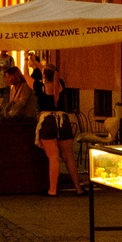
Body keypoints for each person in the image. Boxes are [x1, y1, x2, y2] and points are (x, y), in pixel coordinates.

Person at [36, 67, 84, 196]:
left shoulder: (40, 86)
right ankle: (78, 188)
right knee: (69, 158)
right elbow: (51, 73)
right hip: (64, 120)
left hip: (48, 121)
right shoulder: (60, 84)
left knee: (53, 158)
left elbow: (25, 75)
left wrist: (26, 61)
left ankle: (53, 189)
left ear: (44, 75)